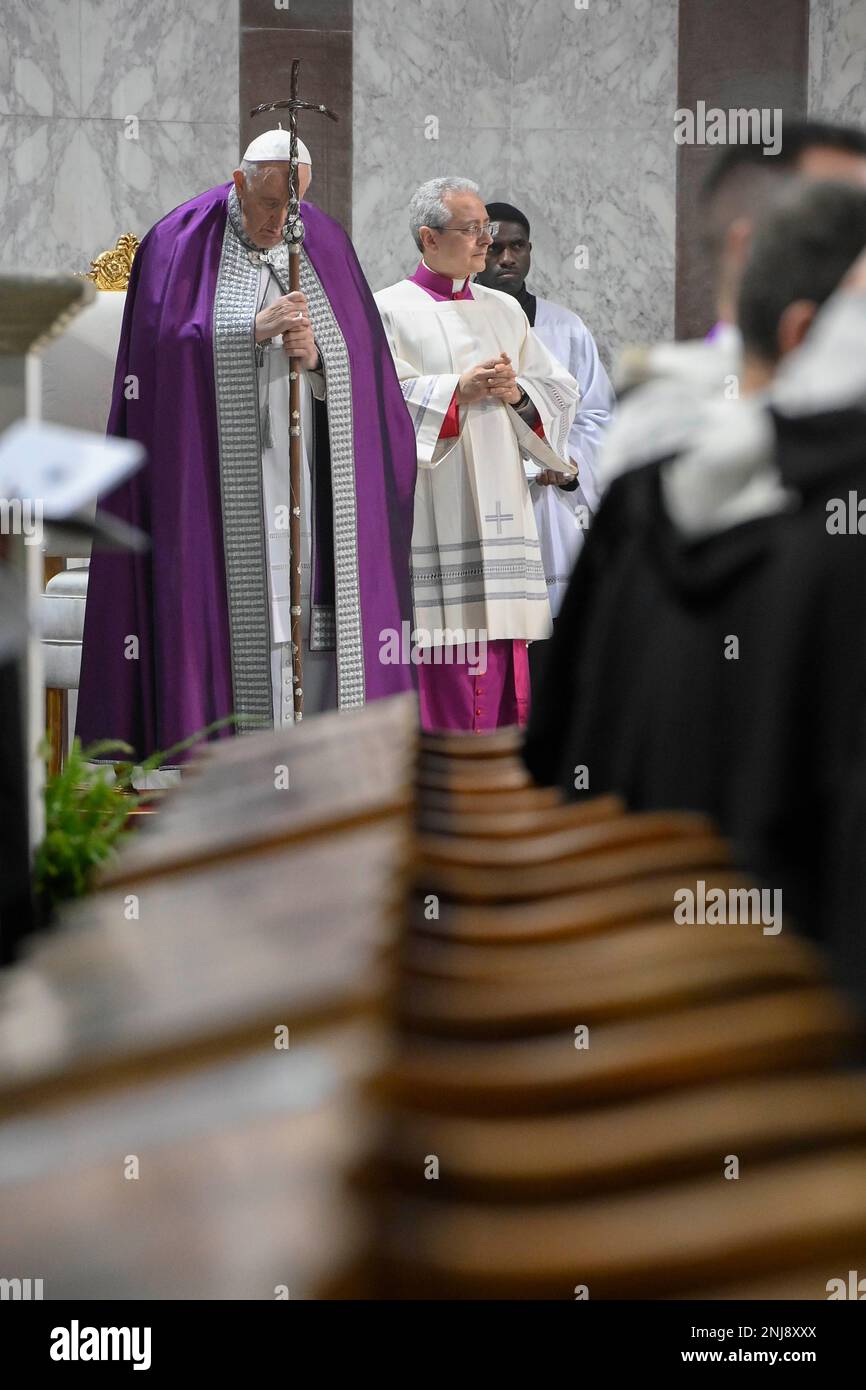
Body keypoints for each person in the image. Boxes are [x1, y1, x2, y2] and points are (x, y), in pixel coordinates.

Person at [524, 180, 866, 1004]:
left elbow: (562, 765)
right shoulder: (834, 551)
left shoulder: (651, 501)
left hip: (641, 992)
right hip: (779, 1066)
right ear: (806, 335)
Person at [77, 129, 417, 760]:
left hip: (307, 478)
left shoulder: (325, 241)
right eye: (267, 204)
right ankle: (219, 765)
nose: (281, 220)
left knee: (307, 597)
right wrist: (244, 334)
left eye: (293, 206)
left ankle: (319, 762)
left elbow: (367, 367)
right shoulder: (177, 240)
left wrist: (320, 361)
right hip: (207, 481)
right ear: (238, 182)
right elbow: (154, 368)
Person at [374, 177, 579, 733]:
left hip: (504, 501)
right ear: (428, 237)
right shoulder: (387, 310)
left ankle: (503, 787)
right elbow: (375, 405)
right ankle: (450, 780)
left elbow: (560, 391)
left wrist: (516, 393)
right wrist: (454, 393)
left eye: (485, 228)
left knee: (505, 645)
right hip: (437, 507)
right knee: (449, 646)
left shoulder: (505, 311)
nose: (486, 241)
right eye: (472, 230)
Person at [476, 201, 614, 627]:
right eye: (495, 247)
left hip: (549, 505)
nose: (507, 258)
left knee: (551, 636)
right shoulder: (458, 324)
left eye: (517, 246)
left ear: (530, 249)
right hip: (483, 502)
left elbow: (600, 415)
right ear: (478, 249)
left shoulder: (565, 327)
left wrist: (569, 461)